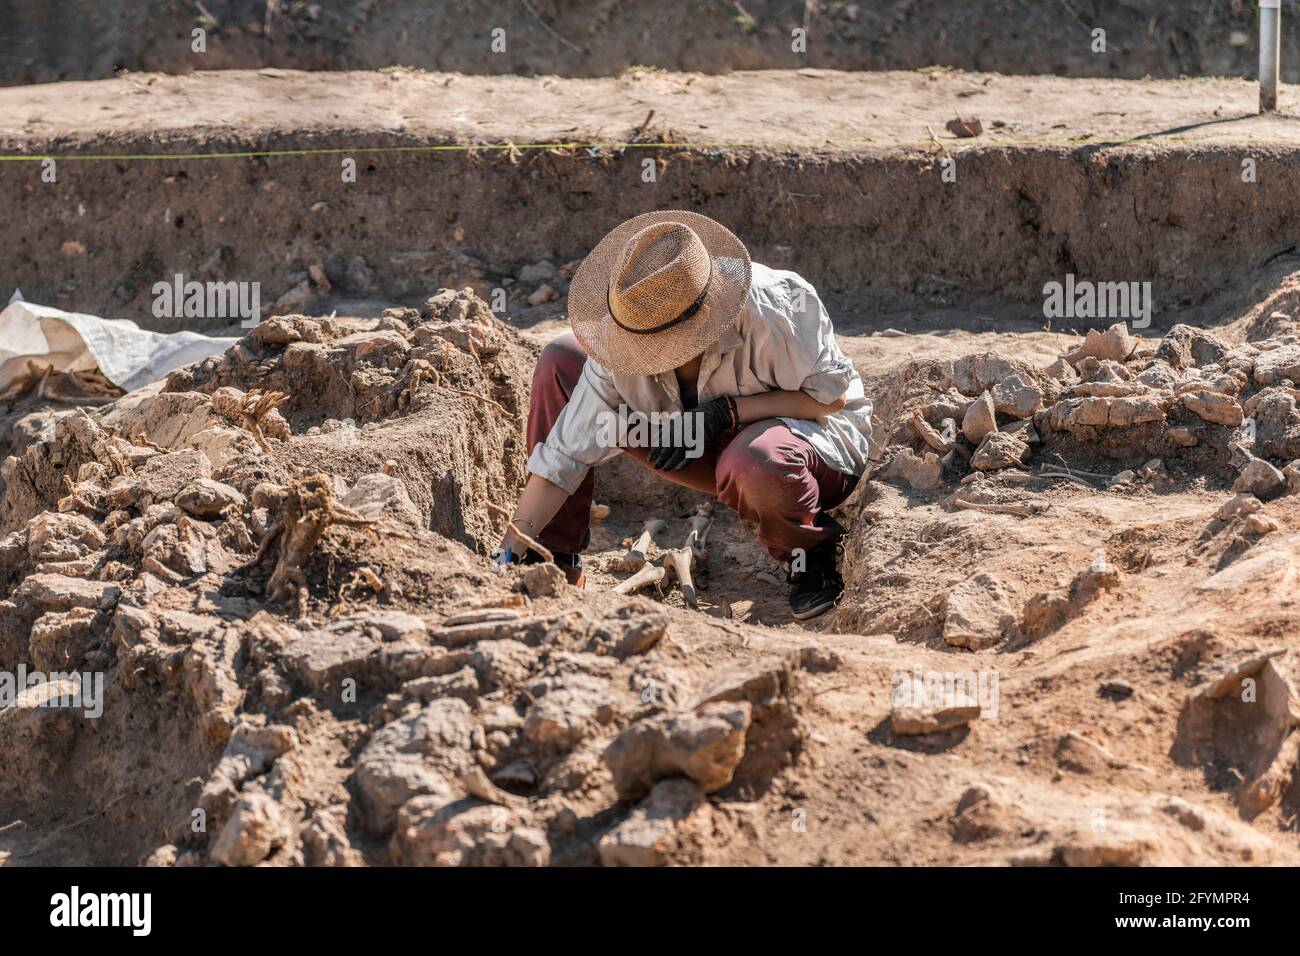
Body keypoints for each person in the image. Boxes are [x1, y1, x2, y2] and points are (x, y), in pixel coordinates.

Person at [496, 210, 872, 620]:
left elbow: (829, 399)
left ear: (707, 314)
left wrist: (727, 412)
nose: (647, 357)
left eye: (666, 344)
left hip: (809, 448)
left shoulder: (777, 308)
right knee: (562, 359)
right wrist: (511, 550)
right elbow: (563, 454)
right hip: (695, 446)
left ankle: (809, 554)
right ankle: (550, 560)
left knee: (755, 460)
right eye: (642, 346)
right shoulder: (628, 328)